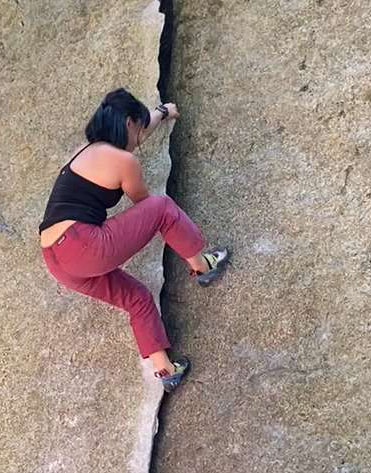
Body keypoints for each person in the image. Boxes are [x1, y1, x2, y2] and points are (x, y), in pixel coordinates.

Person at [39, 88, 229, 391]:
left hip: (56, 258)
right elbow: (146, 206)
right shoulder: (124, 161)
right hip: (83, 243)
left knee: (136, 298)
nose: (141, 138)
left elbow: (140, 131)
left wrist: (164, 112)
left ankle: (166, 370)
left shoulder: (87, 152)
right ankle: (203, 266)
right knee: (162, 208)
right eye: (139, 129)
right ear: (129, 123)